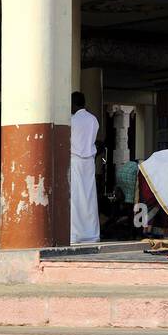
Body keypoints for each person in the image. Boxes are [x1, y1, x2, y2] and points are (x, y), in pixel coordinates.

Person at [70, 91, 101, 244]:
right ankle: (92, 234)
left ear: (74, 104)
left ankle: (75, 234)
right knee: (89, 198)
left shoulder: (72, 120)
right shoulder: (93, 119)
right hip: (89, 162)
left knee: (75, 198)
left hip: (75, 160)